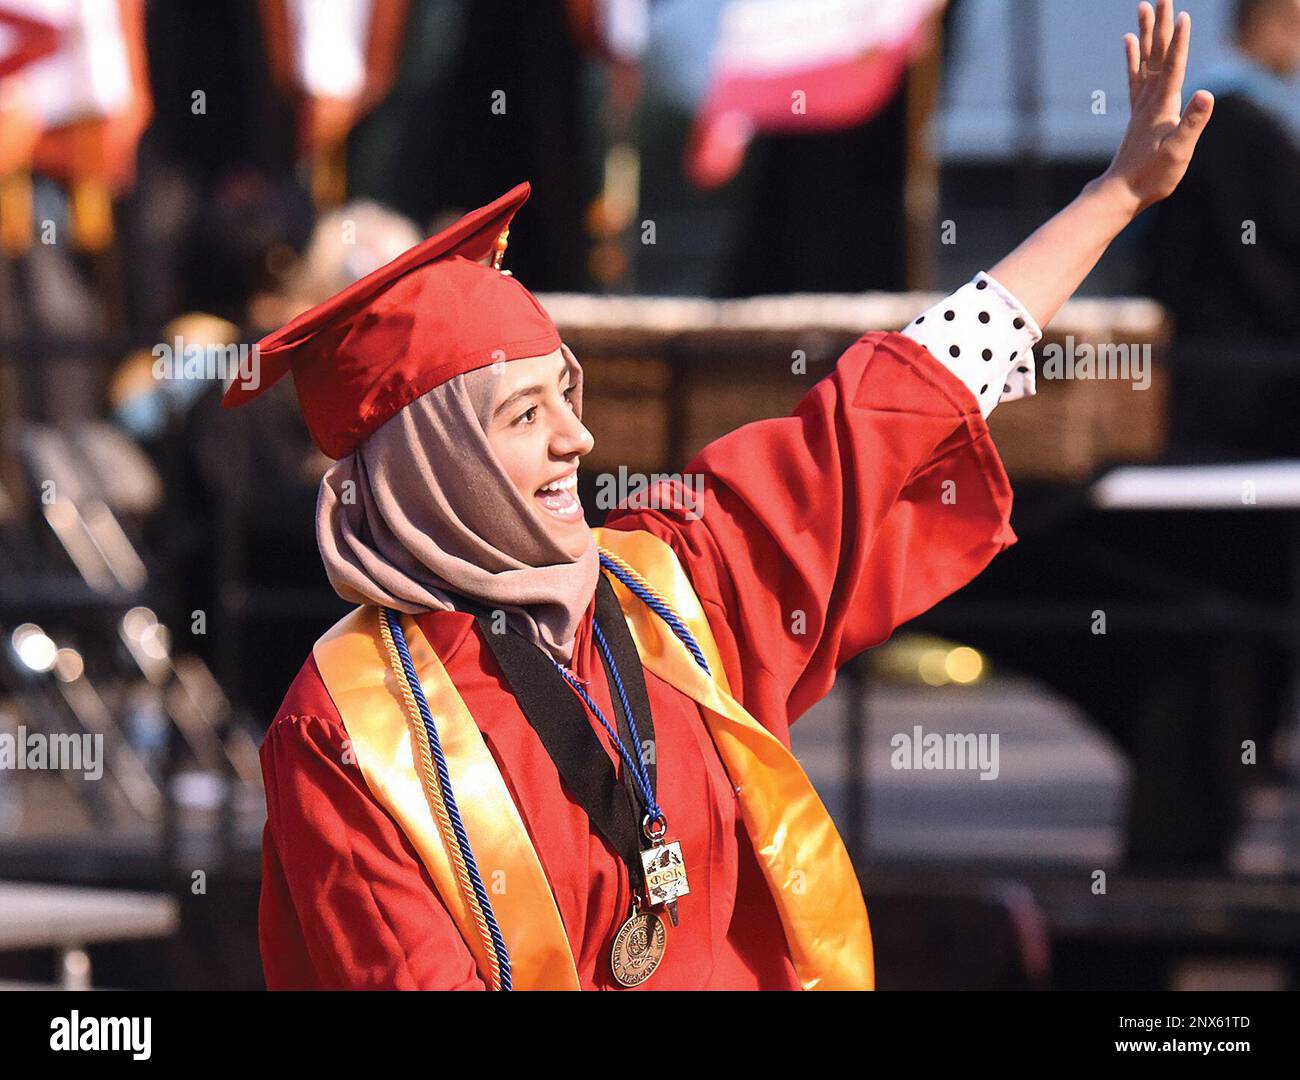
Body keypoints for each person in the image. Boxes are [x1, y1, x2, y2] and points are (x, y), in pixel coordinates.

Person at [233, 1, 1213, 989]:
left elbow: (886, 412)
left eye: (565, 395)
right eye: (524, 416)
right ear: (433, 467)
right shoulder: (352, 732)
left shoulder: (672, 581)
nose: (577, 438)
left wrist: (1113, 196)